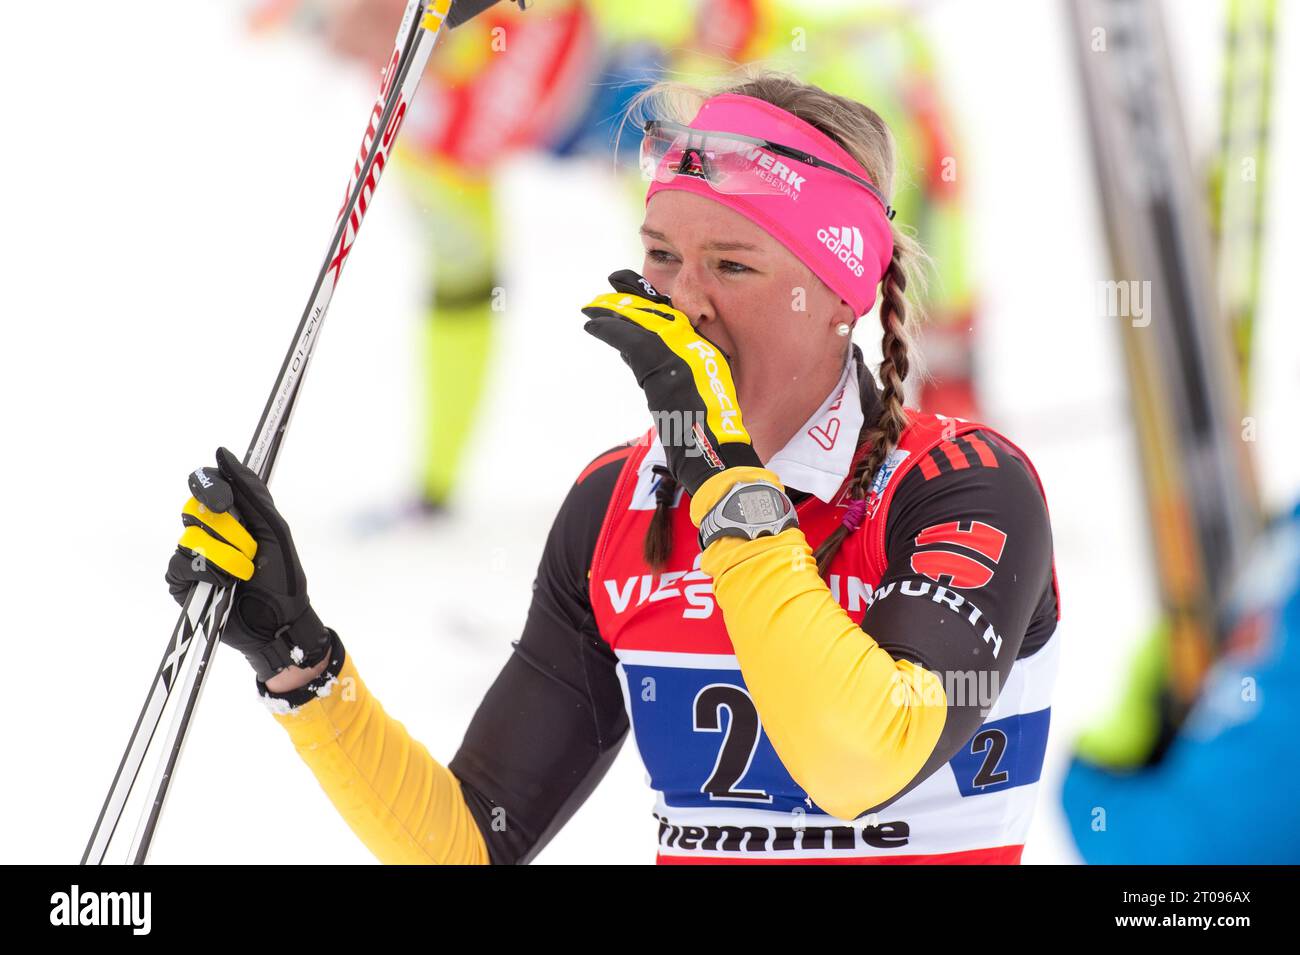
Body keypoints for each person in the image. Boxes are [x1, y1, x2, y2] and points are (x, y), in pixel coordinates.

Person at [166, 69, 1060, 864]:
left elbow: (858, 760)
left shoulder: (963, 487)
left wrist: (722, 478)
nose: (683, 299)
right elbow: (473, 839)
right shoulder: (618, 504)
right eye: (663, 255)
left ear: (843, 290)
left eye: (733, 265)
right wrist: (302, 666)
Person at [251, 0, 981, 514]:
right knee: (720, 291)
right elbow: (462, 302)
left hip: (852, 67)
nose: (335, 44)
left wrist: (673, 48)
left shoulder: (503, 17)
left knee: (922, 294)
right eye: (308, 33)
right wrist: (435, 484)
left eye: (321, 15)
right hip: (711, 155)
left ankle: (963, 449)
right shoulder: (428, 136)